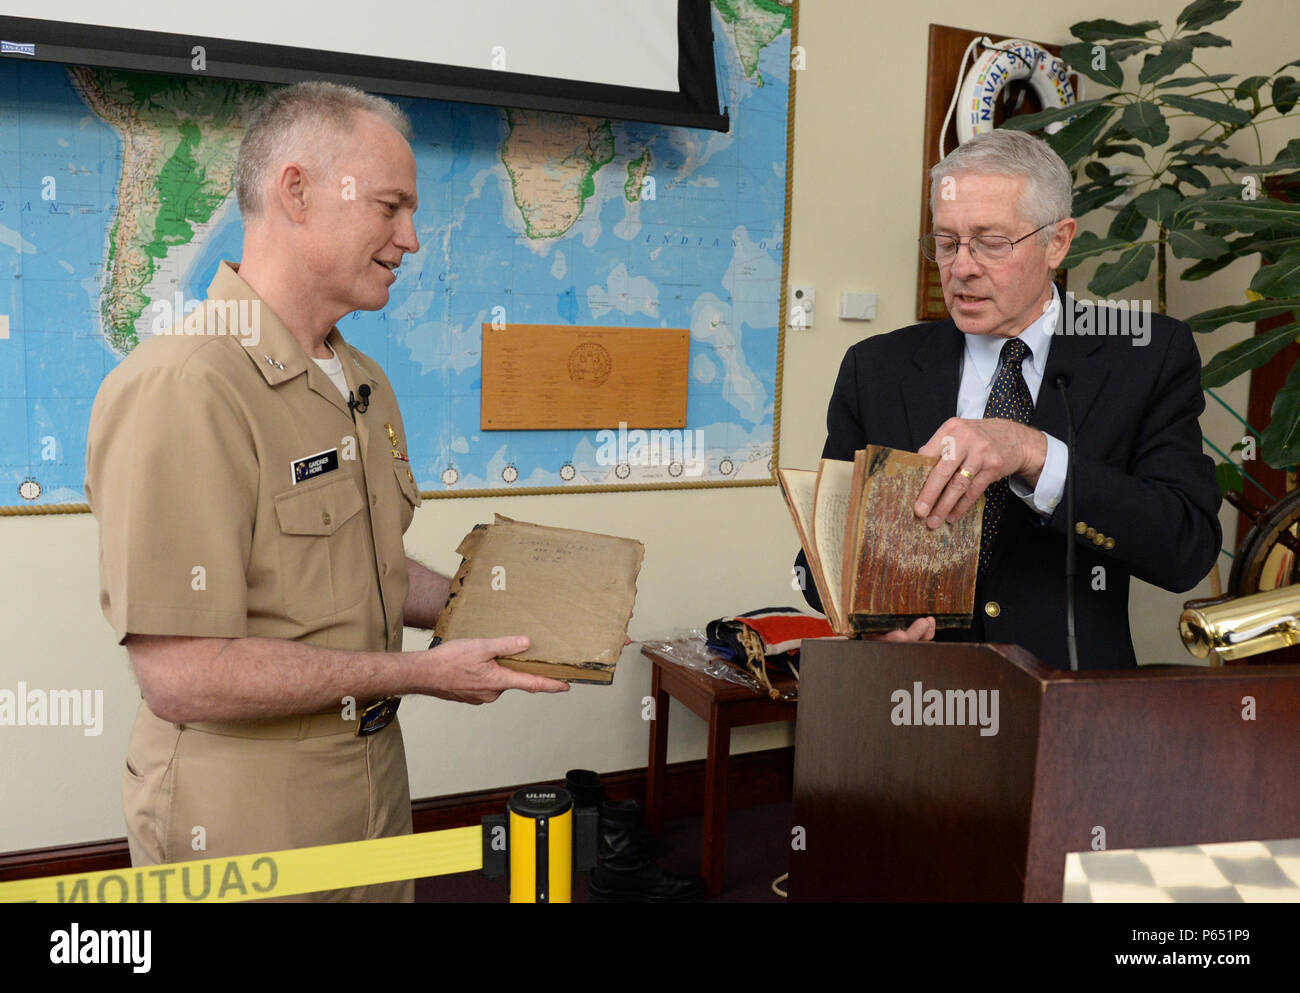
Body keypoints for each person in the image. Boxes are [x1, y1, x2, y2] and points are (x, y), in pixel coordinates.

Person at [85, 81, 569, 902]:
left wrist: (487, 606)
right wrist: (421, 673)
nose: (411, 239)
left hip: (372, 777)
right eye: (390, 207)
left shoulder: (363, 380)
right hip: (242, 811)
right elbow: (181, 672)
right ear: (297, 192)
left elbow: (362, 564)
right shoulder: (186, 385)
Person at [795, 129, 1222, 670]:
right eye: (946, 243)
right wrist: (870, 622)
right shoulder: (875, 367)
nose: (962, 267)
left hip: (1071, 709)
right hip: (913, 703)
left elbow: (1185, 549)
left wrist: (1034, 452)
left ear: (1058, 242)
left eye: (991, 242)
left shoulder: (1146, 355)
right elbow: (817, 565)